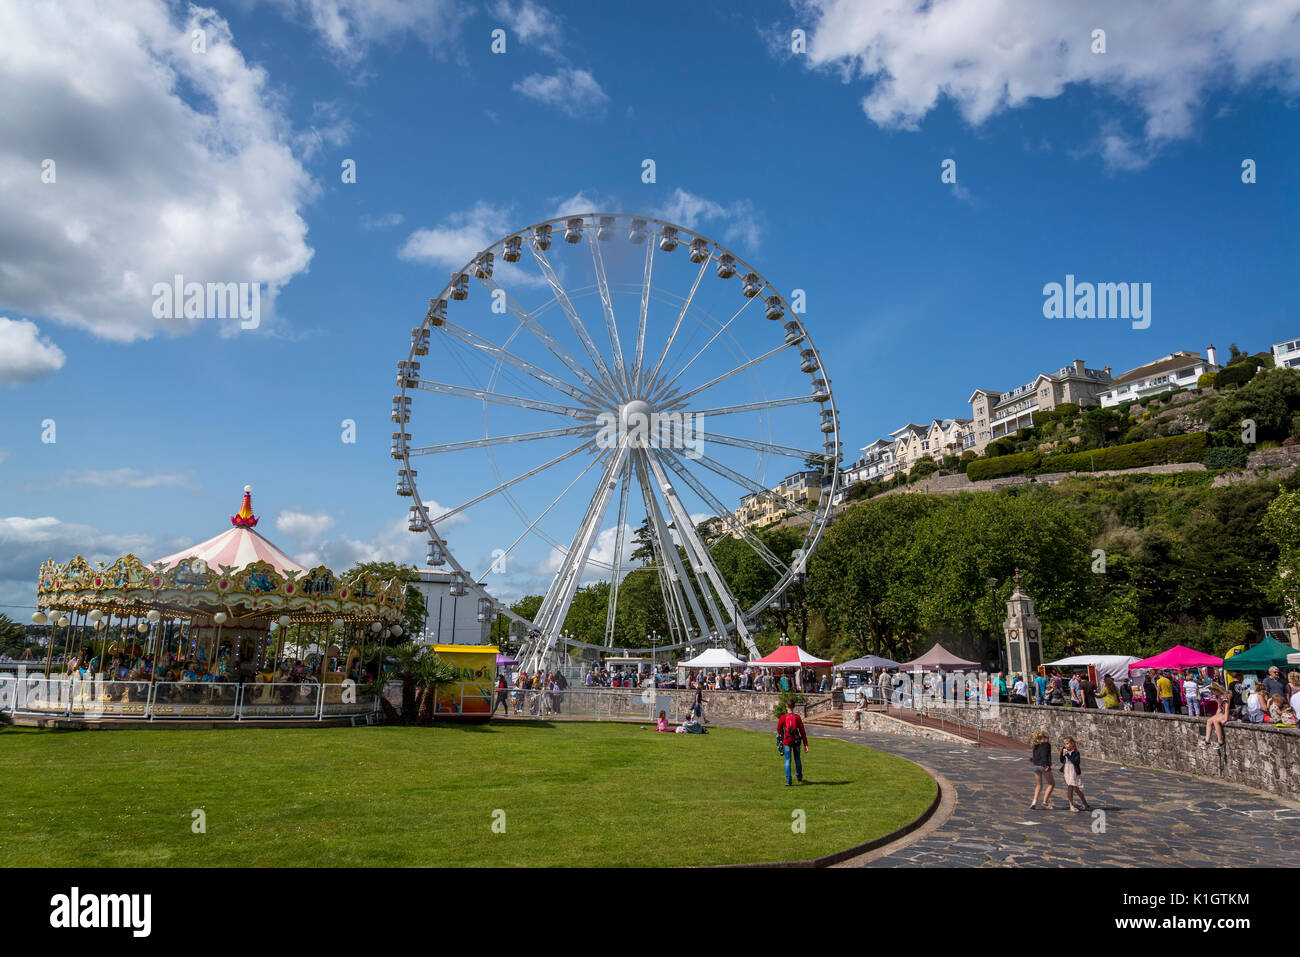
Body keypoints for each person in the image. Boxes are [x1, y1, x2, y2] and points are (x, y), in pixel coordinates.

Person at [776, 704, 808, 786]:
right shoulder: (797, 717)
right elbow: (802, 731)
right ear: (793, 706)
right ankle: (799, 776)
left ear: (786, 706)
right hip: (796, 740)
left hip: (787, 740)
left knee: (787, 760)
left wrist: (781, 735)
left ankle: (788, 780)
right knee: (797, 759)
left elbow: (778, 728)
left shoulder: (783, 717)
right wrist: (805, 744)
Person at [1059, 736, 1091, 812]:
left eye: (1067, 743)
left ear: (1072, 743)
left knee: (1076, 789)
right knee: (1070, 787)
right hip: (1067, 770)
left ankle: (1085, 803)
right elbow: (1061, 760)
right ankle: (1071, 806)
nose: (1066, 745)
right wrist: (1062, 755)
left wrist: (1067, 755)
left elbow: (1076, 762)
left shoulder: (1076, 752)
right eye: (1065, 744)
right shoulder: (1064, 750)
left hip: (1074, 771)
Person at [1028, 731, 1056, 809]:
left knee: (1039, 785)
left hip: (1036, 766)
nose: (1048, 739)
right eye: (1047, 738)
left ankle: (1034, 802)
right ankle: (1044, 803)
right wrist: (1046, 765)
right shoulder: (1046, 745)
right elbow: (1045, 756)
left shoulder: (1035, 745)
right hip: (1043, 766)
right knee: (1051, 784)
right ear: (1044, 738)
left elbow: (1034, 757)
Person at [1201, 682, 1230, 749]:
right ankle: (1207, 741)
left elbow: (1227, 708)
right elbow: (1219, 708)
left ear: (1216, 690)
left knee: (1216, 721)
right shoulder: (1217, 696)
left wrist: (1225, 719)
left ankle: (1220, 742)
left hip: (1231, 712)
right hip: (1223, 712)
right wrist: (1215, 716)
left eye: (1212, 692)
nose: (1212, 693)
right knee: (1209, 721)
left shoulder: (1225, 695)